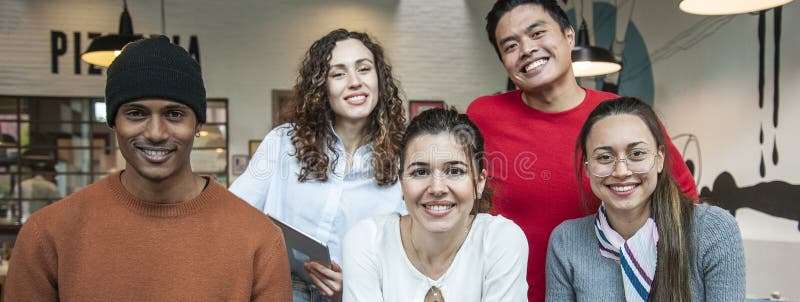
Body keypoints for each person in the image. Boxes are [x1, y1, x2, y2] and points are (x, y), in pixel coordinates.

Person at [3, 36, 292, 301]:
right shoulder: (49, 234)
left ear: (198, 124)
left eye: (174, 114)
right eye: (136, 113)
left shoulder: (258, 238)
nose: (155, 132)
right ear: (114, 121)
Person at [466, 1, 698, 300]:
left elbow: (685, 203)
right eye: (510, 46)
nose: (526, 49)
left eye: (537, 33)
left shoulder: (622, 117)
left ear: (569, 36)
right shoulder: (484, 116)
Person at [230, 28, 407, 301]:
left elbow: (409, 254)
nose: (354, 82)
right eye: (338, 73)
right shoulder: (283, 143)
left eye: (364, 69)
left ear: (379, 79)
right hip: (279, 289)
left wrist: (353, 287)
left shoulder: (404, 160)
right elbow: (234, 214)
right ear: (321, 87)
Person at [546, 97, 745, 301]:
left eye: (637, 153)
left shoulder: (713, 230)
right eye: (605, 157)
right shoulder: (566, 240)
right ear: (588, 168)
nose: (621, 171)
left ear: (659, 159)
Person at [342, 108, 529, 302]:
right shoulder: (367, 241)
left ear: (479, 182)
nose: (437, 188)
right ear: (401, 182)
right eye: (420, 172)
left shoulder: (501, 240)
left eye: (455, 171)